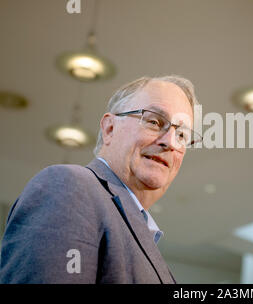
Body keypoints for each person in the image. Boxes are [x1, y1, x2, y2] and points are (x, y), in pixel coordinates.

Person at [0, 75, 202, 283]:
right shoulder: (70, 188)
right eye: (153, 121)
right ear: (109, 128)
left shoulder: (144, 236)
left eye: (182, 135)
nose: (170, 142)